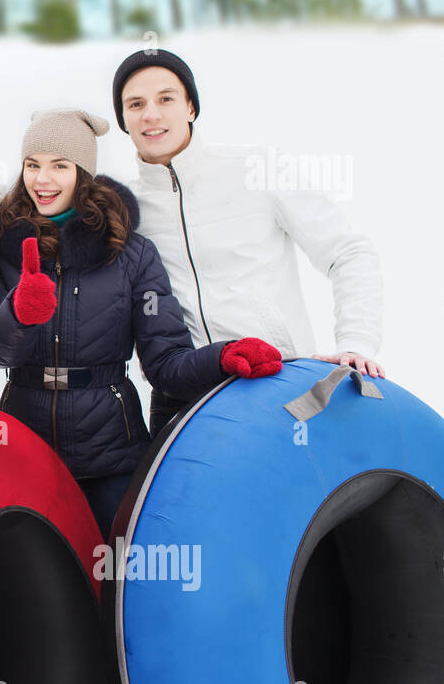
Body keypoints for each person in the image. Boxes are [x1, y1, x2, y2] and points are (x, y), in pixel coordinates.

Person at [0, 109, 282, 538]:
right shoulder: (6, 244)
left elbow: (166, 362)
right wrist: (19, 314)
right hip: (22, 446)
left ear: (83, 173)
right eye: (33, 165)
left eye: (59, 166)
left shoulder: (131, 254)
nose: (42, 180)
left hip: (112, 455)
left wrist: (222, 358)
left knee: (117, 577)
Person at [111, 49, 384, 432]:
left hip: (279, 380)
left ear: (191, 107)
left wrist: (356, 341)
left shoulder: (257, 170)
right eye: (135, 104)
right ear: (124, 119)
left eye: (166, 98)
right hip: (186, 397)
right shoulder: (126, 210)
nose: (151, 114)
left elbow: (348, 252)